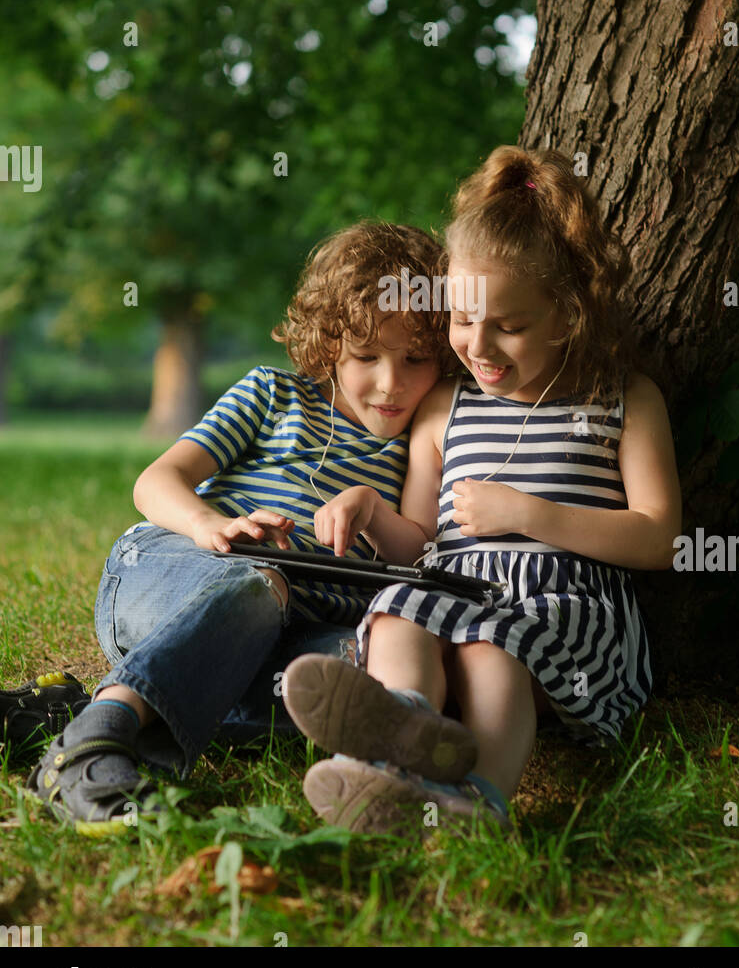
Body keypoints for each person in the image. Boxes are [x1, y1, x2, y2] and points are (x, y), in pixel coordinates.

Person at [282, 145, 682, 834]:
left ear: (567, 314)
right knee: (400, 608)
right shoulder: (446, 406)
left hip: (562, 605)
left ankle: (480, 798)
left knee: (489, 644)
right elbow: (419, 544)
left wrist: (529, 514)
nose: (479, 344)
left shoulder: (623, 399)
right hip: (454, 586)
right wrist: (372, 510)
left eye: (509, 325)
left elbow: (659, 536)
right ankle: (400, 732)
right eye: (463, 321)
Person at [28, 220, 467, 834]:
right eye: (367, 357)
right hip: (172, 570)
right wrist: (213, 525)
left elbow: (418, 544)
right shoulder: (271, 396)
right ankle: (88, 747)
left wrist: (370, 507)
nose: (391, 383)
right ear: (329, 342)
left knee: (367, 690)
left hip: (275, 635)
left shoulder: (418, 441)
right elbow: (155, 483)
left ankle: (79, 710)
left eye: (415, 359)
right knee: (261, 581)